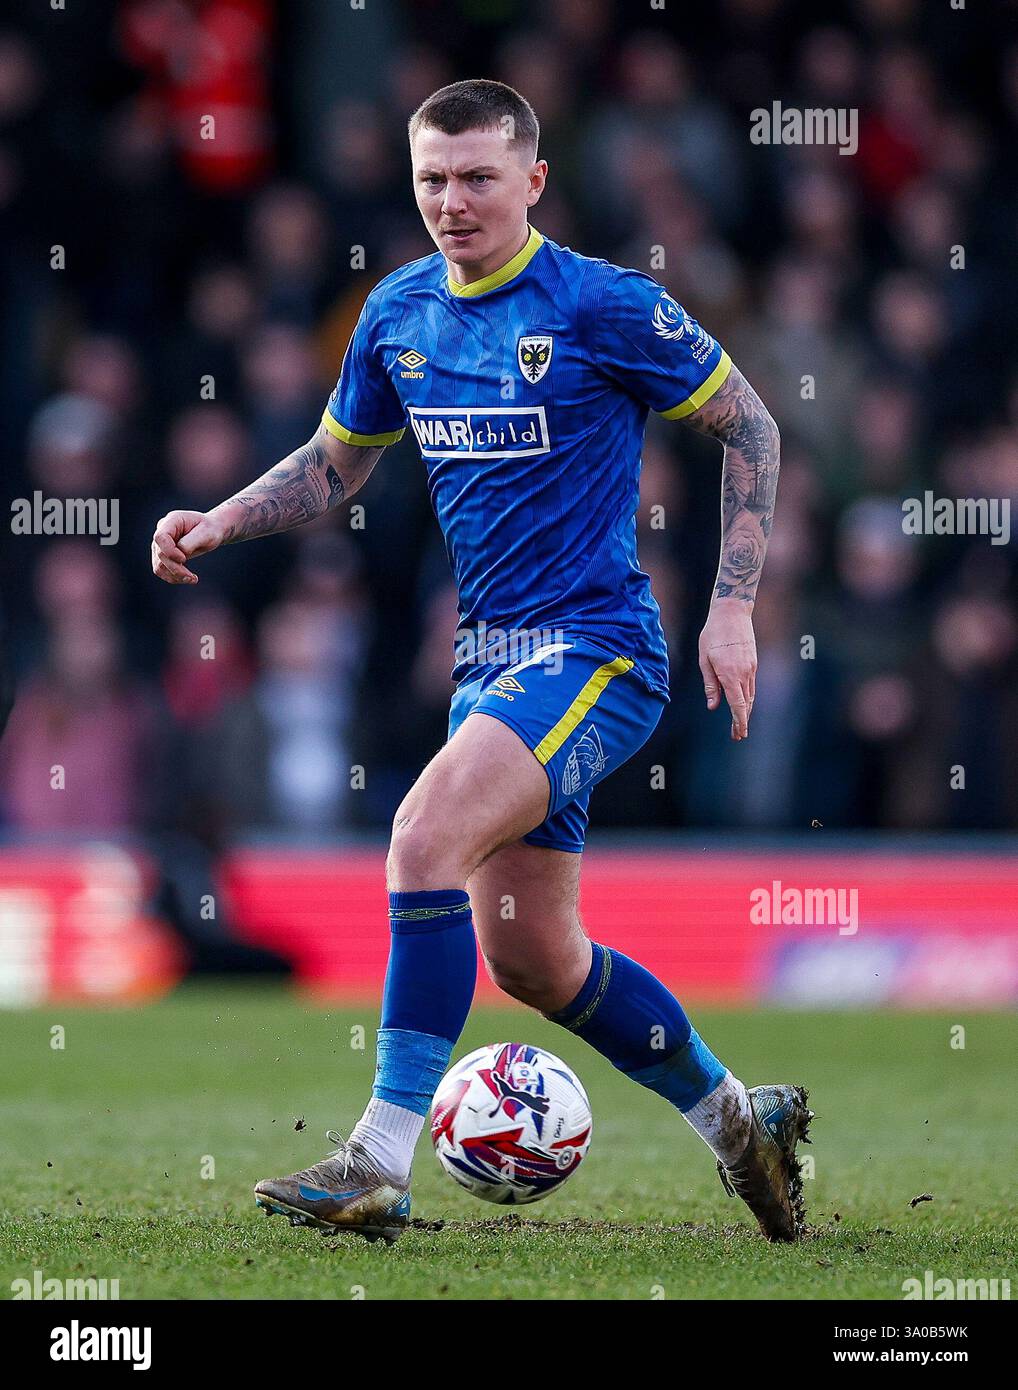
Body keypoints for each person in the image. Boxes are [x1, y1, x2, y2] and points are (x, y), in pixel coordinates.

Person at [151, 80, 811, 1244]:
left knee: (419, 837)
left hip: (599, 651)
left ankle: (378, 1157)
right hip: (489, 665)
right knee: (537, 959)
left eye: (477, 179)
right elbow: (333, 465)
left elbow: (750, 424)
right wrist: (218, 519)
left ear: (533, 182)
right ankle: (738, 1122)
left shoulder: (605, 305)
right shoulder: (397, 310)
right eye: (432, 181)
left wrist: (733, 605)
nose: (451, 203)